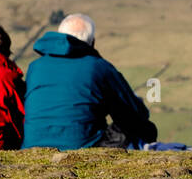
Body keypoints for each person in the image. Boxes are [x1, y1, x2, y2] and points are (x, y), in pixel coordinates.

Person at [22, 13, 157, 150]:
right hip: (83, 146)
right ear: (92, 42)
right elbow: (134, 112)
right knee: (143, 126)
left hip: (31, 147)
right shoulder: (99, 67)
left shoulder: (34, 67)